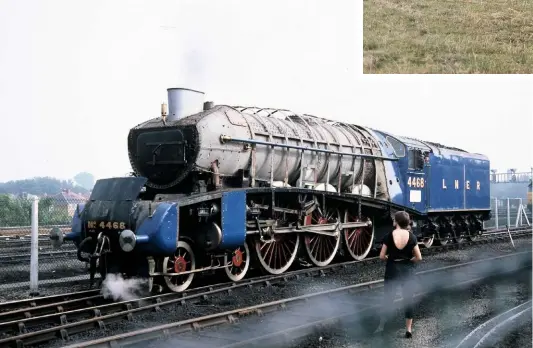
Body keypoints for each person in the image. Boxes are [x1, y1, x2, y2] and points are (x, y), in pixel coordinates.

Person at [375, 211, 422, 338]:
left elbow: (381, 256)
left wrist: (390, 260)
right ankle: (408, 330)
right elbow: (419, 257)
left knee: (388, 298)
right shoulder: (412, 237)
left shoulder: (389, 236)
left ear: (396, 222)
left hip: (392, 269)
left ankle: (382, 326)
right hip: (407, 270)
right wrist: (408, 261)